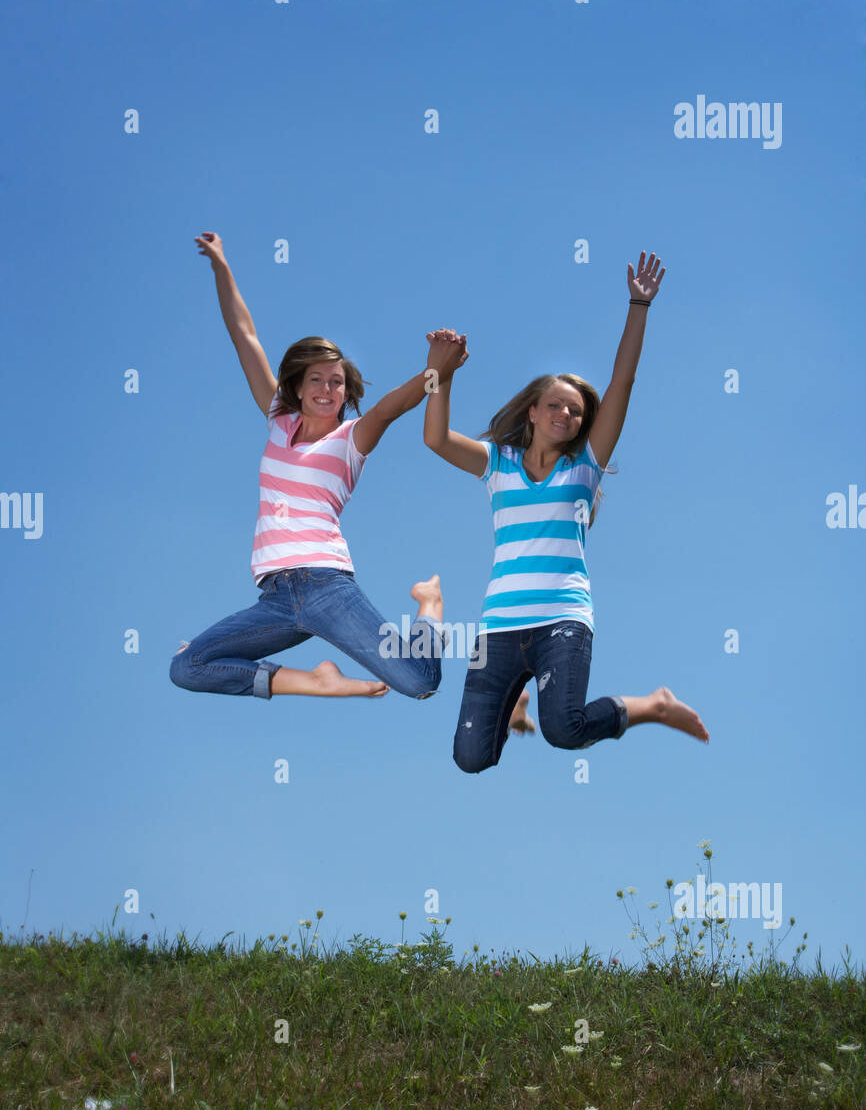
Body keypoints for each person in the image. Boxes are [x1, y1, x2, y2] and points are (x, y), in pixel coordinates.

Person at [422, 251, 709, 773]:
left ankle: (653, 705)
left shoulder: (585, 467)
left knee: (564, 730)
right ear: (532, 411)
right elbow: (436, 438)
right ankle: (516, 700)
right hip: (499, 626)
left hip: (562, 621)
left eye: (575, 410)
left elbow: (621, 384)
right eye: (555, 404)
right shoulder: (497, 464)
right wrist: (439, 375)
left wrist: (638, 305)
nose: (566, 414)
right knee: (470, 758)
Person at [170, 232, 454, 704]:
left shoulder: (351, 440)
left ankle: (430, 605)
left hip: (327, 587)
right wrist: (221, 265)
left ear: (347, 392)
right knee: (188, 666)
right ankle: (317, 681)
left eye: (338, 382)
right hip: (276, 598)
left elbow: (389, 408)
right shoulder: (278, 422)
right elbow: (245, 336)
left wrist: (436, 371)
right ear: (298, 387)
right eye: (317, 379)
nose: (327, 388)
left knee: (421, 681)